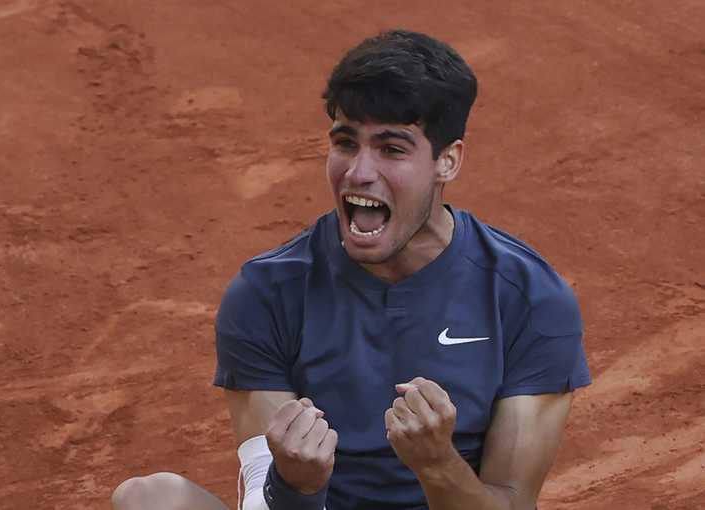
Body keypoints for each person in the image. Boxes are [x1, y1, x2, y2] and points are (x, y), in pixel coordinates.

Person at [112, 29, 591, 510]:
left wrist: (436, 464)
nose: (359, 172)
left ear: (448, 161)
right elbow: (263, 497)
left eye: (392, 149)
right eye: (345, 142)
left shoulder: (527, 298)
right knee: (150, 498)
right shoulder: (267, 292)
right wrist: (298, 484)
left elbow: (511, 502)